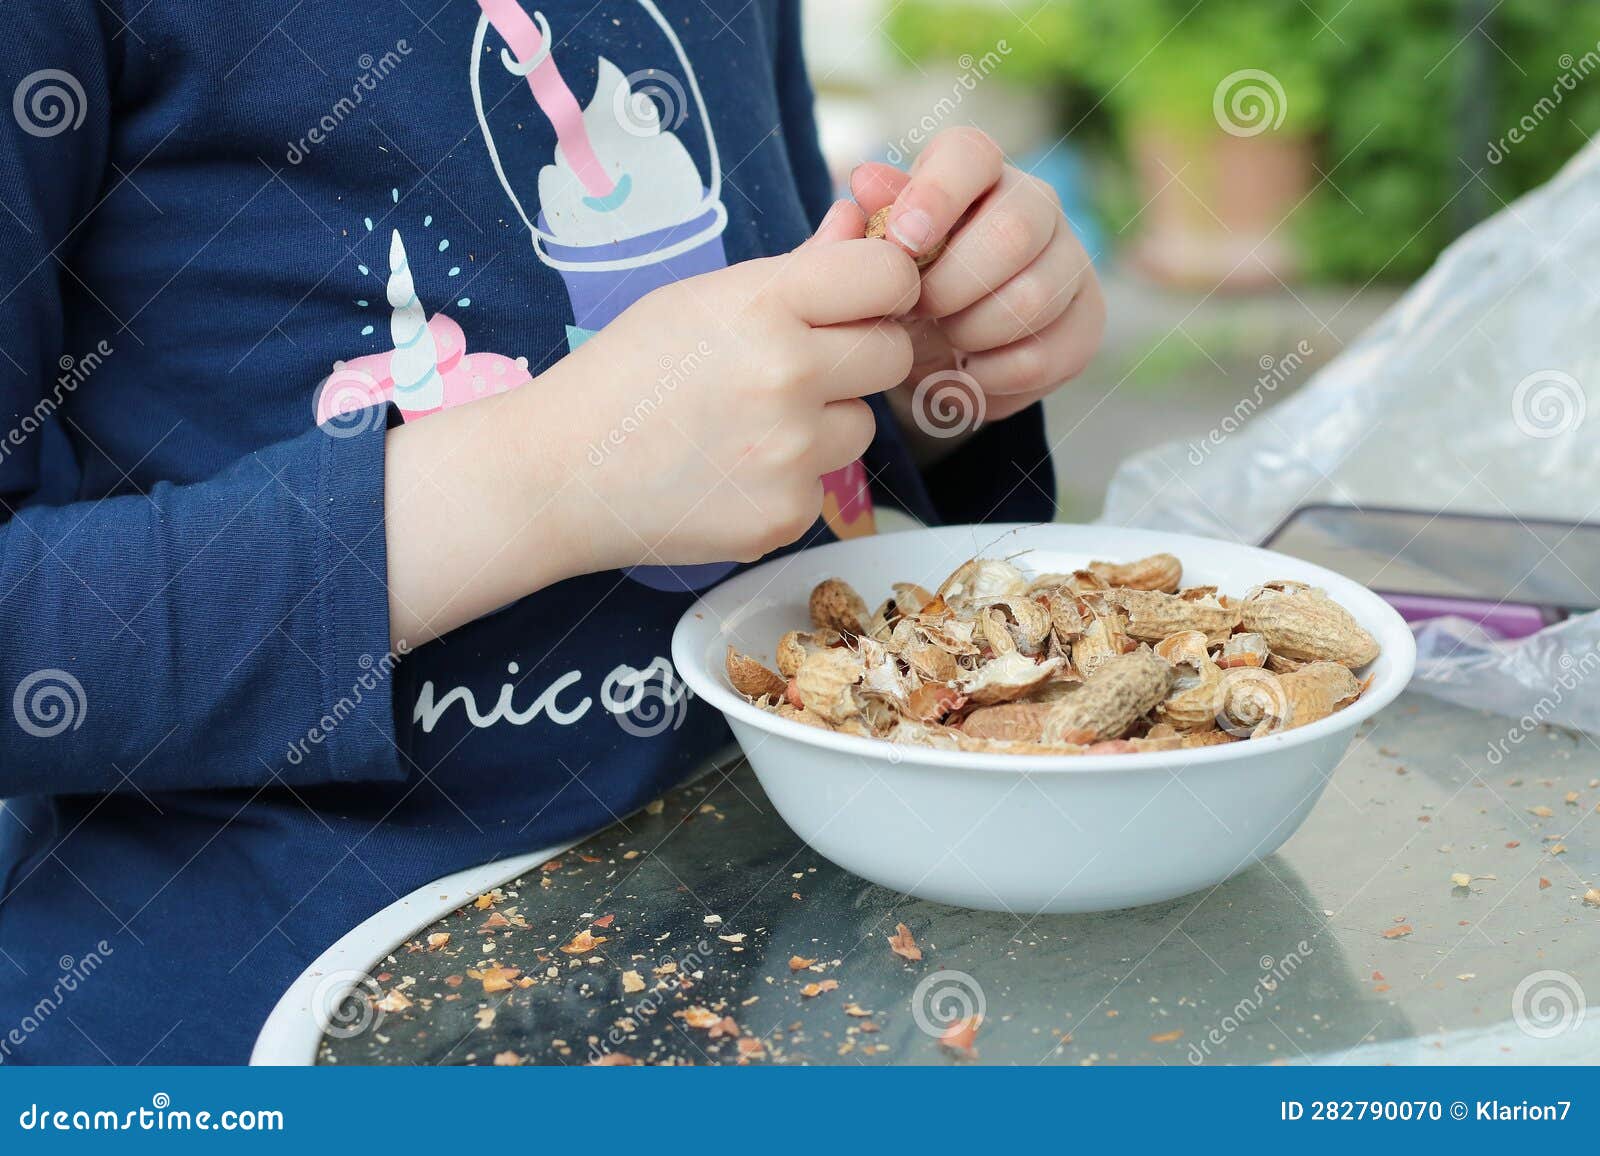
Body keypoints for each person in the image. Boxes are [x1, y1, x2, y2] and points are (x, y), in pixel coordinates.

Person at [0, 0, 1103, 1063]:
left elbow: (797, 437)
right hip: (247, 1028)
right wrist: (543, 480)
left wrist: (917, 370)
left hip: (788, 969)